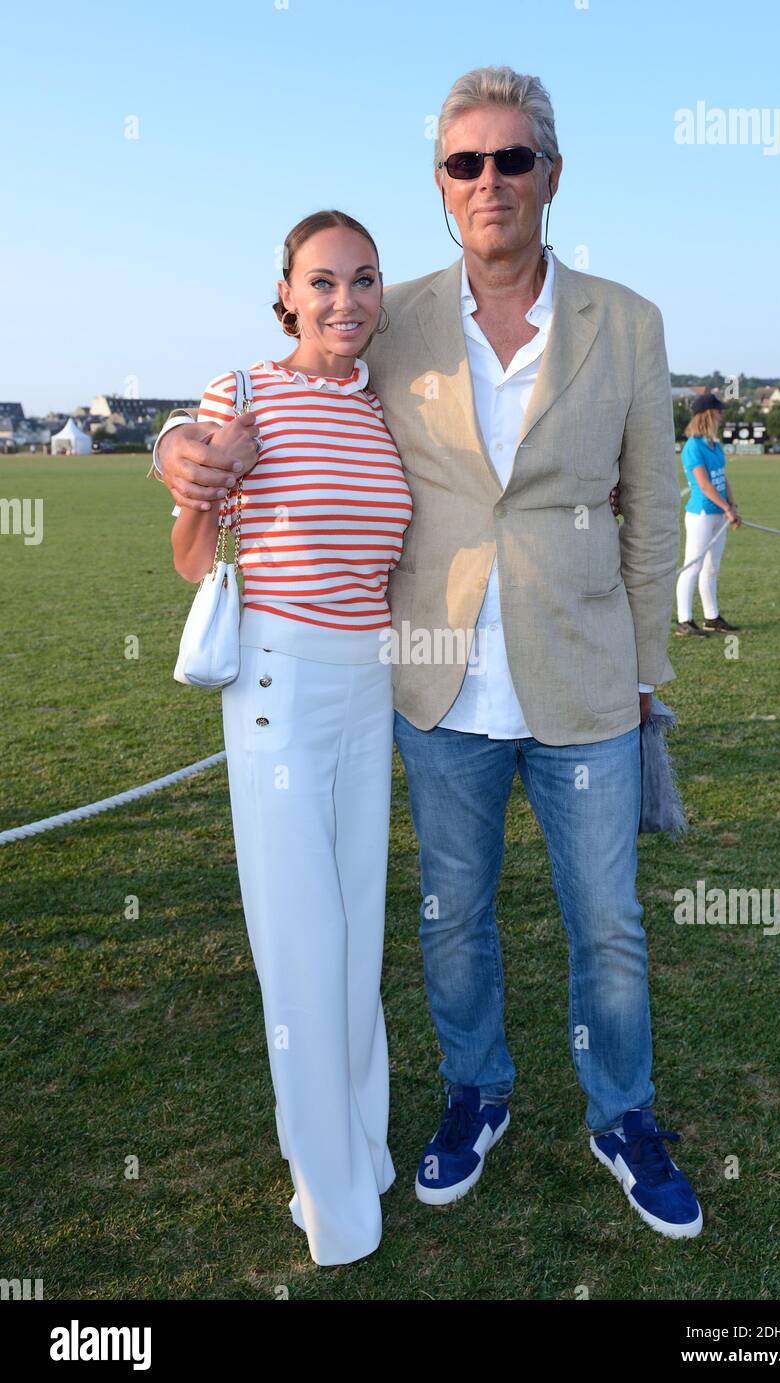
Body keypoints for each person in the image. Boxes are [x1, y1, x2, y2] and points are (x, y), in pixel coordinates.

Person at [152, 64, 703, 1241]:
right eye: (466, 163)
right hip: (431, 680)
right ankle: (475, 1096)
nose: (490, 180)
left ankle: (623, 1116)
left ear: (550, 173)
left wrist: (649, 669)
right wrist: (170, 445)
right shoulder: (388, 314)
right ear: (441, 187)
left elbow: (653, 512)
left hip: (587, 677)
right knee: (451, 921)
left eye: (512, 159)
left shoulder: (629, 321)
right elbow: (262, 394)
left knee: (606, 922)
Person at [169, 210, 413, 1267]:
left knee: (355, 938)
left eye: (362, 281)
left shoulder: (383, 410)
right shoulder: (245, 392)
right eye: (321, 283)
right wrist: (193, 465)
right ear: (285, 295)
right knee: (302, 946)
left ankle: (367, 1147)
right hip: (276, 688)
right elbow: (190, 550)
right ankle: (335, 1203)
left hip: (369, 688)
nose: (344, 302)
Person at [675, 392, 742, 636]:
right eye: (719, 412)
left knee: (711, 568)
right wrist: (726, 508)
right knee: (692, 566)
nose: (722, 416)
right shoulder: (693, 447)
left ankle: (712, 618)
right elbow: (704, 485)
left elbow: (722, 479)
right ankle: (684, 620)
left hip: (719, 514)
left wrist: (732, 506)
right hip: (702, 514)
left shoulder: (715, 445)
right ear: (708, 415)